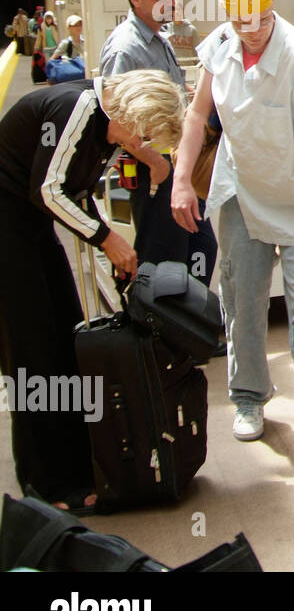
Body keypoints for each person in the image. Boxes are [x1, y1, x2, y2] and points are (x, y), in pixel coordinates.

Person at [171, 0, 294, 470]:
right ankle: (249, 396)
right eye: (239, 23)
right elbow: (196, 114)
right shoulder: (219, 47)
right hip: (242, 194)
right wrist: (182, 177)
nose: (249, 31)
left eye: (257, 20)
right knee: (241, 300)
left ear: (271, 5)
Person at [0, 70, 185, 513]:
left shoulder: (104, 123)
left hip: (29, 226)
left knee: (64, 341)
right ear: (126, 110)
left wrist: (108, 247)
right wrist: (108, 238)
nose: (135, 144)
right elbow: (48, 190)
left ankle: (71, 468)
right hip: (8, 227)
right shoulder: (76, 109)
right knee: (30, 354)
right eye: (139, 134)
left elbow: (73, 192)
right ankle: (44, 485)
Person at [100, 0, 217, 286]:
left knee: (199, 248)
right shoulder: (126, 49)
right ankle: (158, 329)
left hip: (175, 163)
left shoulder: (158, 37)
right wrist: (157, 164)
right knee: (164, 258)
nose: (171, 1)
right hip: (154, 167)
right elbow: (117, 122)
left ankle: (186, 325)